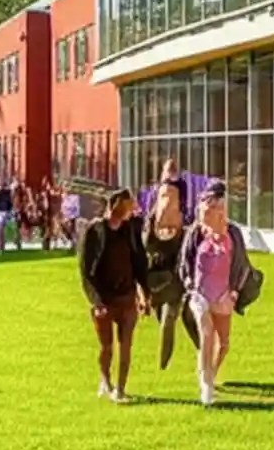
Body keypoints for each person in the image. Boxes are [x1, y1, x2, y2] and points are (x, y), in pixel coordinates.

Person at [177, 181, 255, 406]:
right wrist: (191, 287)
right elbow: (184, 262)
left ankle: (209, 371)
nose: (212, 213)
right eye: (209, 208)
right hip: (200, 294)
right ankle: (206, 386)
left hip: (223, 296)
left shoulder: (233, 234)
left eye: (217, 208)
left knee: (223, 344)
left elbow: (242, 265)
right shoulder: (195, 234)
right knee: (207, 335)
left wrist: (234, 293)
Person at [79, 188, 148, 404]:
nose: (132, 207)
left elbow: (140, 262)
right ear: (116, 203)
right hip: (105, 300)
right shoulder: (95, 231)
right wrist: (97, 301)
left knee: (126, 344)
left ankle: (120, 389)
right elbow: (86, 271)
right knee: (106, 346)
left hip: (127, 297)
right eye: (128, 203)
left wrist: (145, 293)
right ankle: (105, 380)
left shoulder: (131, 230)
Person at [143, 182, 200, 371]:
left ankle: (164, 366)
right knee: (162, 319)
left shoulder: (183, 228)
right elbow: (146, 246)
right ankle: (202, 353)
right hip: (156, 283)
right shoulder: (151, 226)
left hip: (175, 283)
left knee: (171, 320)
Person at [161, 158, 191, 226]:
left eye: (166, 170)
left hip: (177, 210)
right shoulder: (180, 182)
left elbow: (183, 198)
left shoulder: (176, 182)